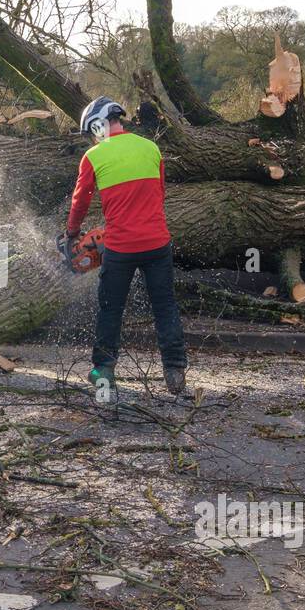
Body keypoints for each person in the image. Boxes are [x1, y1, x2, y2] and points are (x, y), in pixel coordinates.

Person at [66, 96, 188, 395]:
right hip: (158, 242)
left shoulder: (93, 156)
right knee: (165, 306)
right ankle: (175, 371)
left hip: (121, 247)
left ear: (98, 125)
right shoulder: (151, 148)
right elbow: (159, 194)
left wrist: (72, 233)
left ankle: (104, 371)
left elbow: (80, 201)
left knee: (111, 308)